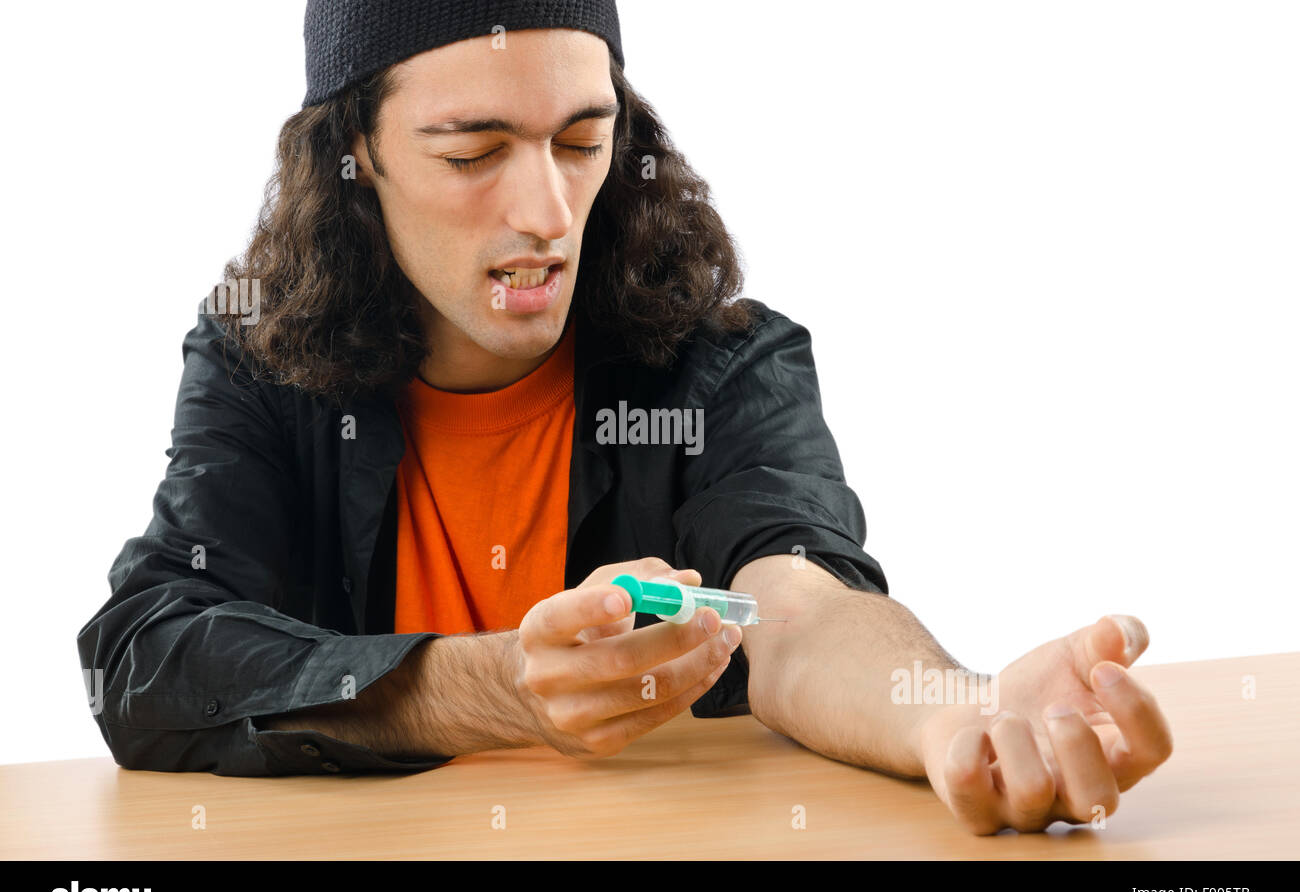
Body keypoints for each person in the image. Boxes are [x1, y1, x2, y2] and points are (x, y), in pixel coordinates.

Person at [77, 0, 1172, 835]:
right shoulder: (261, 363)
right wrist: (490, 689)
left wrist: (952, 712)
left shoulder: (723, 366)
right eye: (471, 154)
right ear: (352, 154)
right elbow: (146, 654)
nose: (548, 214)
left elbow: (795, 605)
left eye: (580, 140)